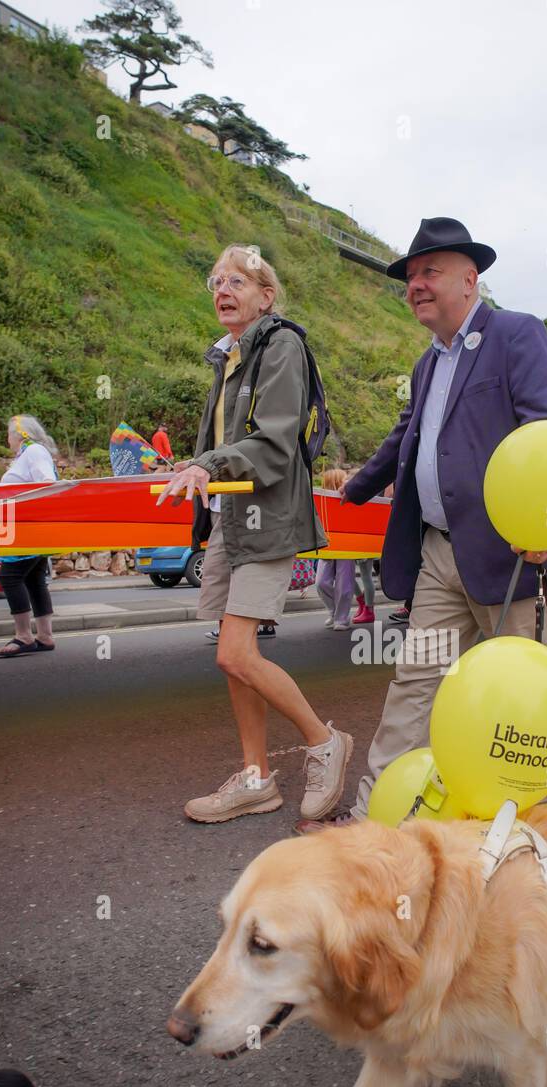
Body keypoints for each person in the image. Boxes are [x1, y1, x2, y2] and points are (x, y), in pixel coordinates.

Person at [296, 216, 547, 832]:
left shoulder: (515, 335)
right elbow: (407, 437)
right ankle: (374, 821)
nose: (416, 284)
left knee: (522, 704)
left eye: (431, 271)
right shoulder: (428, 363)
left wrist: (545, 525)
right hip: (440, 557)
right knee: (414, 683)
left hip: (509, 557)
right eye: (411, 276)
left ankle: (541, 831)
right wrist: (353, 494)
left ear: (470, 279)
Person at [156, 244, 352, 822]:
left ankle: (323, 742)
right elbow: (219, 445)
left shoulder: (280, 344)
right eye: (216, 279)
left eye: (238, 280)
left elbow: (274, 440)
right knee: (231, 658)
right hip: (228, 521)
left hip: (264, 518)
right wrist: (195, 469)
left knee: (237, 653)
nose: (223, 288)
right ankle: (256, 777)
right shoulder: (229, 357)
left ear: (266, 295)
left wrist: (208, 466)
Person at [0, 416, 60, 658]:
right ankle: (45, 636)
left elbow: (47, 483)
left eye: (8, 434)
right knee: (33, 579)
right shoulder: (28, 453)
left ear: (19, 435)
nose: (7, 439)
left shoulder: (34, 452)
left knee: (9, 576)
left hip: (28, 529)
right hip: (30, 528)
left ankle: (24, 636)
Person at [315, 467, 356, 629]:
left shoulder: (352, 499)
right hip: (327, 544)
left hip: (347, 545)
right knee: (321, 583)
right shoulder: (322, 501)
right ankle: (334, 612)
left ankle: (341, 618)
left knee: (344, 584)